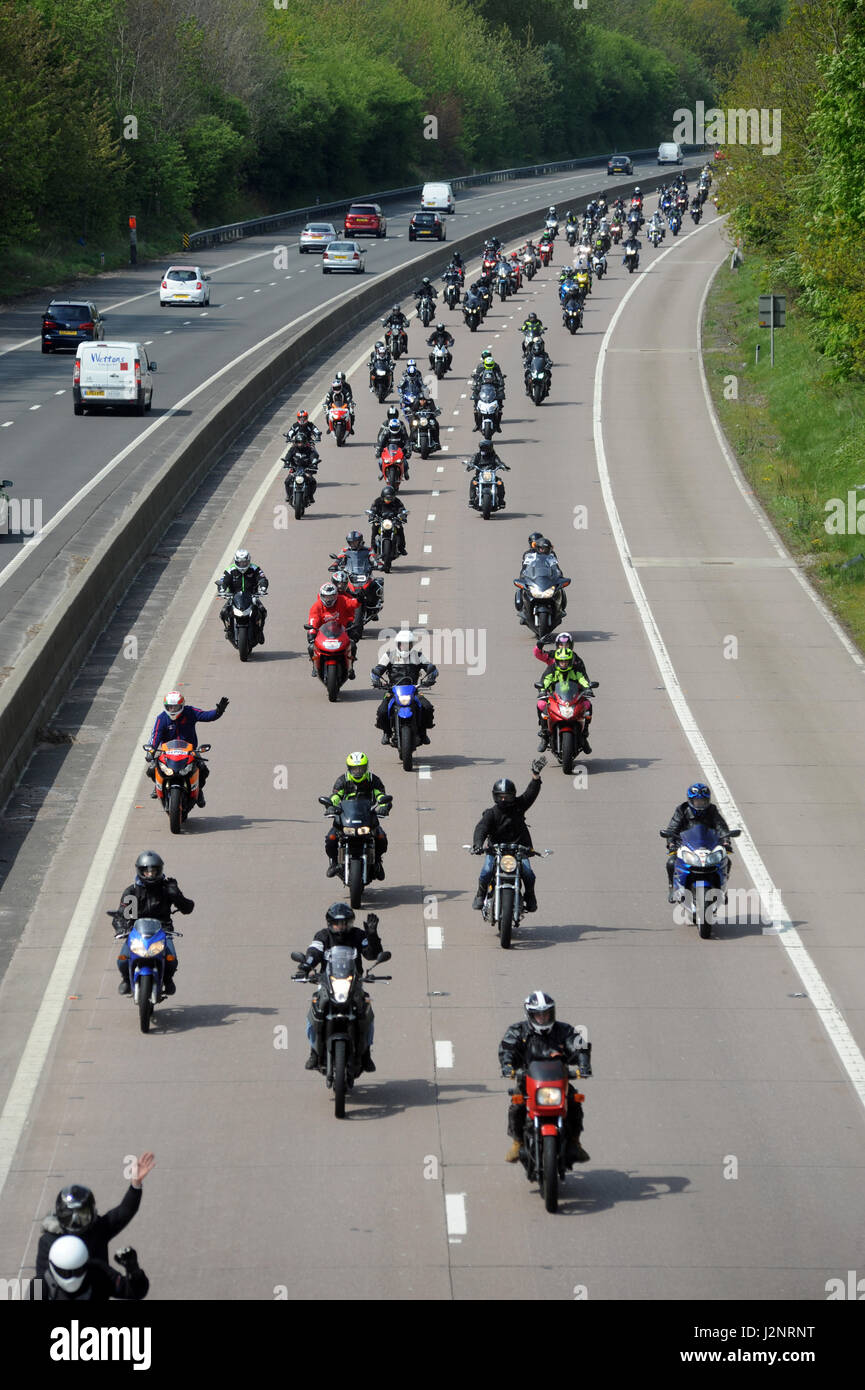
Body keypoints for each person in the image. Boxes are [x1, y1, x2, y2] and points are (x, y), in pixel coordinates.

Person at [499, 992, 591, 1164]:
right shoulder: (518, 1031)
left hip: (559, 1080)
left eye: (546, 1013)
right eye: (538, 1014)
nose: (542, 1017)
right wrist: (508, 1066)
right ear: (529, 1014)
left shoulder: (564, 1030)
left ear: (552, 1012)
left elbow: (579, 1046)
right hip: (529, 1080)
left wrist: (584, 1066)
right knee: (517, 1105)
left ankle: (575, 1142)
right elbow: (508, 1048)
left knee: (575, 1102)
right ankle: (517, 1143)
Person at [35, 1155, 156, 1282]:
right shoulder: (48, 1241)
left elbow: (125, 1211)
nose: (75, 1222)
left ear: (92, 1213)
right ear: (59, 1214)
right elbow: (40, 1280)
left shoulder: (98, 1230)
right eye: (69, 1216)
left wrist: (135, 1185)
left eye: (82, 1215)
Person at [295, 904, 385, 1073]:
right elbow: (313, 952)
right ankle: (314, 1052)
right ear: (330, 923)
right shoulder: (322, 936)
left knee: (367, 1011)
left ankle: (365, 1054)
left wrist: (372, 936)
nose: (341, 927)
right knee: (314, 1010)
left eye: (345, 923)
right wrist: (305, 967)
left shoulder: (358, 934)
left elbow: (371, 954)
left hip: (354, 982)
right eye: (337, 923)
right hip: (327, 982)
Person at [470, 759, 546, 913]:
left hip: (519, 850)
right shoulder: (491, 813)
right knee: (485, 871)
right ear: (495, 796)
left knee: (529, 874)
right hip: (496, 851)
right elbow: (481, 828)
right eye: (501, 796)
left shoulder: (519, 806)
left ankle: (530, 896)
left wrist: (536, 776)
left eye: (508, 796)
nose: (504, 799)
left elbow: (530, 794)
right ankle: (480, 894)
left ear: (513, 796)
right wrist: (478, 844)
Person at [113, 852, 193, 995]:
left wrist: (176, 894)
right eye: (147, 871)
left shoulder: (166, 888)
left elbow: (187, 908)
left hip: (163, 931)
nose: (150, 874)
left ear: (159, 870)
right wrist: (121, 928)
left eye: (154, 871)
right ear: (140, 871)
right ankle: (126, 980)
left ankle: (168, 980)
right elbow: (122, 915)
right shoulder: (132, 891)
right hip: (136, 932)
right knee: (123, 960)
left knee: (172, 959)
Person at [145, 691, 228, 807]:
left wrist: (218, 712)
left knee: (203, 770)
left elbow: (207, 716)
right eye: (170, 707)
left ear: (182, 705)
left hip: (190, 752)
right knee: (151, 769)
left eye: (176, 707)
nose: (173, 710)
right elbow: (155, 736)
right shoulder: (161, 718)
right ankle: (158, 786)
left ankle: (199, 791)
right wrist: (151, 750)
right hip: (167, 753)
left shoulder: (190, 712)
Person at [662, 783, 732, 903]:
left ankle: (722, 890)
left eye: (703, 801)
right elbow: (672, 828)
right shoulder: (682, 810)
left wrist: (726, 840)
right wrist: (671, 843)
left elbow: (721, 826)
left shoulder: (712, 810)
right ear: (690, 800)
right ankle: (672, 888)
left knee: (727, 861)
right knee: (671, 862)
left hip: (708, 846)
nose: (700, 804)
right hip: (686, 845)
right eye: (697, 801)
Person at [325, 752, 389, 879]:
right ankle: (334, 862)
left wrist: (384, 806)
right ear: (349, 768)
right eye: (354, 769)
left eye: (360, 768)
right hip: (346, 817)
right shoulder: (342, 780)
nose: (357, 772)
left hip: (367, 816)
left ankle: (377, 862)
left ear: (366, 767)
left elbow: (380, 794)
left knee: (381, 837)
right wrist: (331, 805)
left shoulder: (373, 779)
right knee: (331, 838)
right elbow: (335, 796)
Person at [371, 628, 438, 745]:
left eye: (408, 644)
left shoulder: (418, 656)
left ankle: (423, 732)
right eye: (402, 644)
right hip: (393, 691)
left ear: (412, 645)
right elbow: (377, 670)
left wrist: (430, 678)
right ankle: (387, 732)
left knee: (427, 707)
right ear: (398, 644)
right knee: (382, 711)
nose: (405, 647)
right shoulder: (389, 655)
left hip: (414, 690)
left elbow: (432, 669)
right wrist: (376, 680)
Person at [34, 1238, 149, 1301]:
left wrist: (134, 1270)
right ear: (53, 1266)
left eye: (78, 1270)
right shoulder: (39, 1285)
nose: (72, 1277)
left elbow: (134, 1292)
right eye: (65, 1273)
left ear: (86, 1263)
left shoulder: (99, 1272)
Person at [534, 634, 594, 752]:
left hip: (574, 695)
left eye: (566, 645)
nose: (564, 663)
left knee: (588, 705)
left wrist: (588, 688)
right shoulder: (552, 665)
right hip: (555, 695)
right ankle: (544, 735)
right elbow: (544, 675)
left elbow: (583, 677)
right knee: (541, 705)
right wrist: (539, 646)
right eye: (561, 644)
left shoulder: (577, 662)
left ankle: (584, 734)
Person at [217, 549, 268, 645]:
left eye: (245, 562)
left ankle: (260, 631)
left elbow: (262, 578)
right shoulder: (230, 570)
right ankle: (228, 630)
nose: (242, 565)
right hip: (234, 597)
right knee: (223, 613)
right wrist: (222, 589)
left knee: (263, 611)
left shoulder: (255, 568)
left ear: (249, 561)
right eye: (240, 563)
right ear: (236, 561)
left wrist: (263, 587)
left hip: (252, 597)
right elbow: (223, 580)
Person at [306, 582, 359, 671]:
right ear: (321, 596)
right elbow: (313, 620)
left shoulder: (342, 600)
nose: (329, 599)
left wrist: (359, 599)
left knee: (352, 645)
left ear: (336, 596)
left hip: (341, 632)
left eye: (331, 596)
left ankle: (350, 667)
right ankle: (315, 667)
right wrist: (312, 633)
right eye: (326, 596)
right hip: (323, 635)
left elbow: (352, 603)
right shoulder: (317, 606)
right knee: (311, 647)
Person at [466, 439, 509, 510]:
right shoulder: (477, 456)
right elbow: (472, 462)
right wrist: (470, 466)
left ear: (490, 448)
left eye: (485, 448)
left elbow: (498, 462)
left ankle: (501, 500)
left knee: (500, 483)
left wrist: (503, 466)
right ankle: (472, 500)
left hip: (491, 475)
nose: (484, 449)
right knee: (473, 482)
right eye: (482, 448)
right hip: (480, 475)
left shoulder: (494, 456)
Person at [367, 484, 408, 556]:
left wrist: (403, 516)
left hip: (393, 520)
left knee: (400, 529)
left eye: (391, 498)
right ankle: (373, 548)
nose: (389, 500)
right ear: (383, 497)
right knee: (374, 529)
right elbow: (373, 510)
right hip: (380, 520)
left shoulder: (397, 502)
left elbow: (402, 509)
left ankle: (401, 548)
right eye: (387, 498)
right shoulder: (377, 501)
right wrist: (371, 516)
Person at [375, 406, 412, 476]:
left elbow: (406, 439)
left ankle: (406, 471)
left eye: (394, 415)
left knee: (405, 461)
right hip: (388, 449)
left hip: (399, 449)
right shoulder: (385, 427)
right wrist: (378, 448)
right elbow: (381, 438)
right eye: (391, 415)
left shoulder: (401, 426)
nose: (393, 417)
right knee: (380, 461)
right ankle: (382, 471)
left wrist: (408, 448)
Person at [282, 436, 321, 505]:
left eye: (302, 443)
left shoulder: (309, 450)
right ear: (296, 443)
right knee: (287, 481)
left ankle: (311, 496)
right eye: (298, 442)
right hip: (295, 468)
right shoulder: (292, 449)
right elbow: (288, 456)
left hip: (306, 469)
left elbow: (314, 456)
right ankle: (288, 495)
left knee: (312, 481)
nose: (300, 444)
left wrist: (314, 463)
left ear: (305, 443)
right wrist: (287, 462)